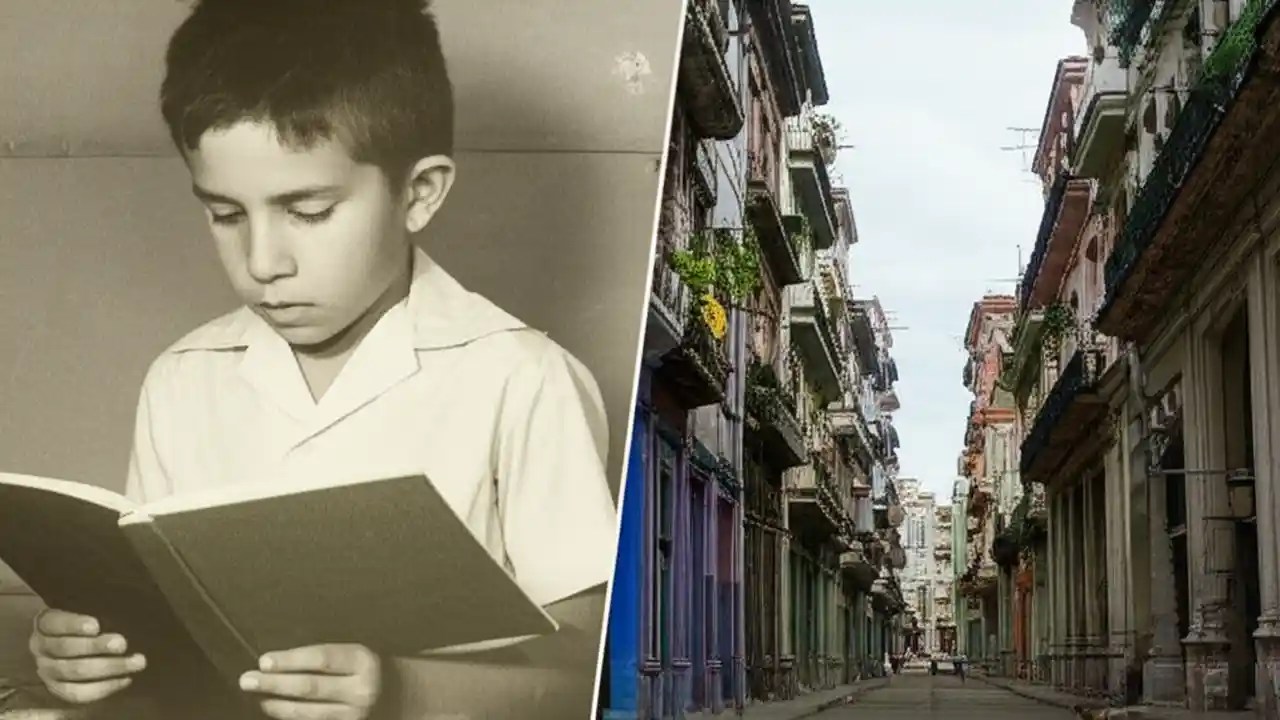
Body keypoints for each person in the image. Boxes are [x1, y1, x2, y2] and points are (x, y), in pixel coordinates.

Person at [24, 0, 616, 718]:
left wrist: (398, 689)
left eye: (307, 212)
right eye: (225, 214)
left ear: (419, 193)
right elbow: (168, 631)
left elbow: (584, 671)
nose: (262, 262)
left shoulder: (522, 377)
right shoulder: (182, 378)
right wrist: (93, 652)